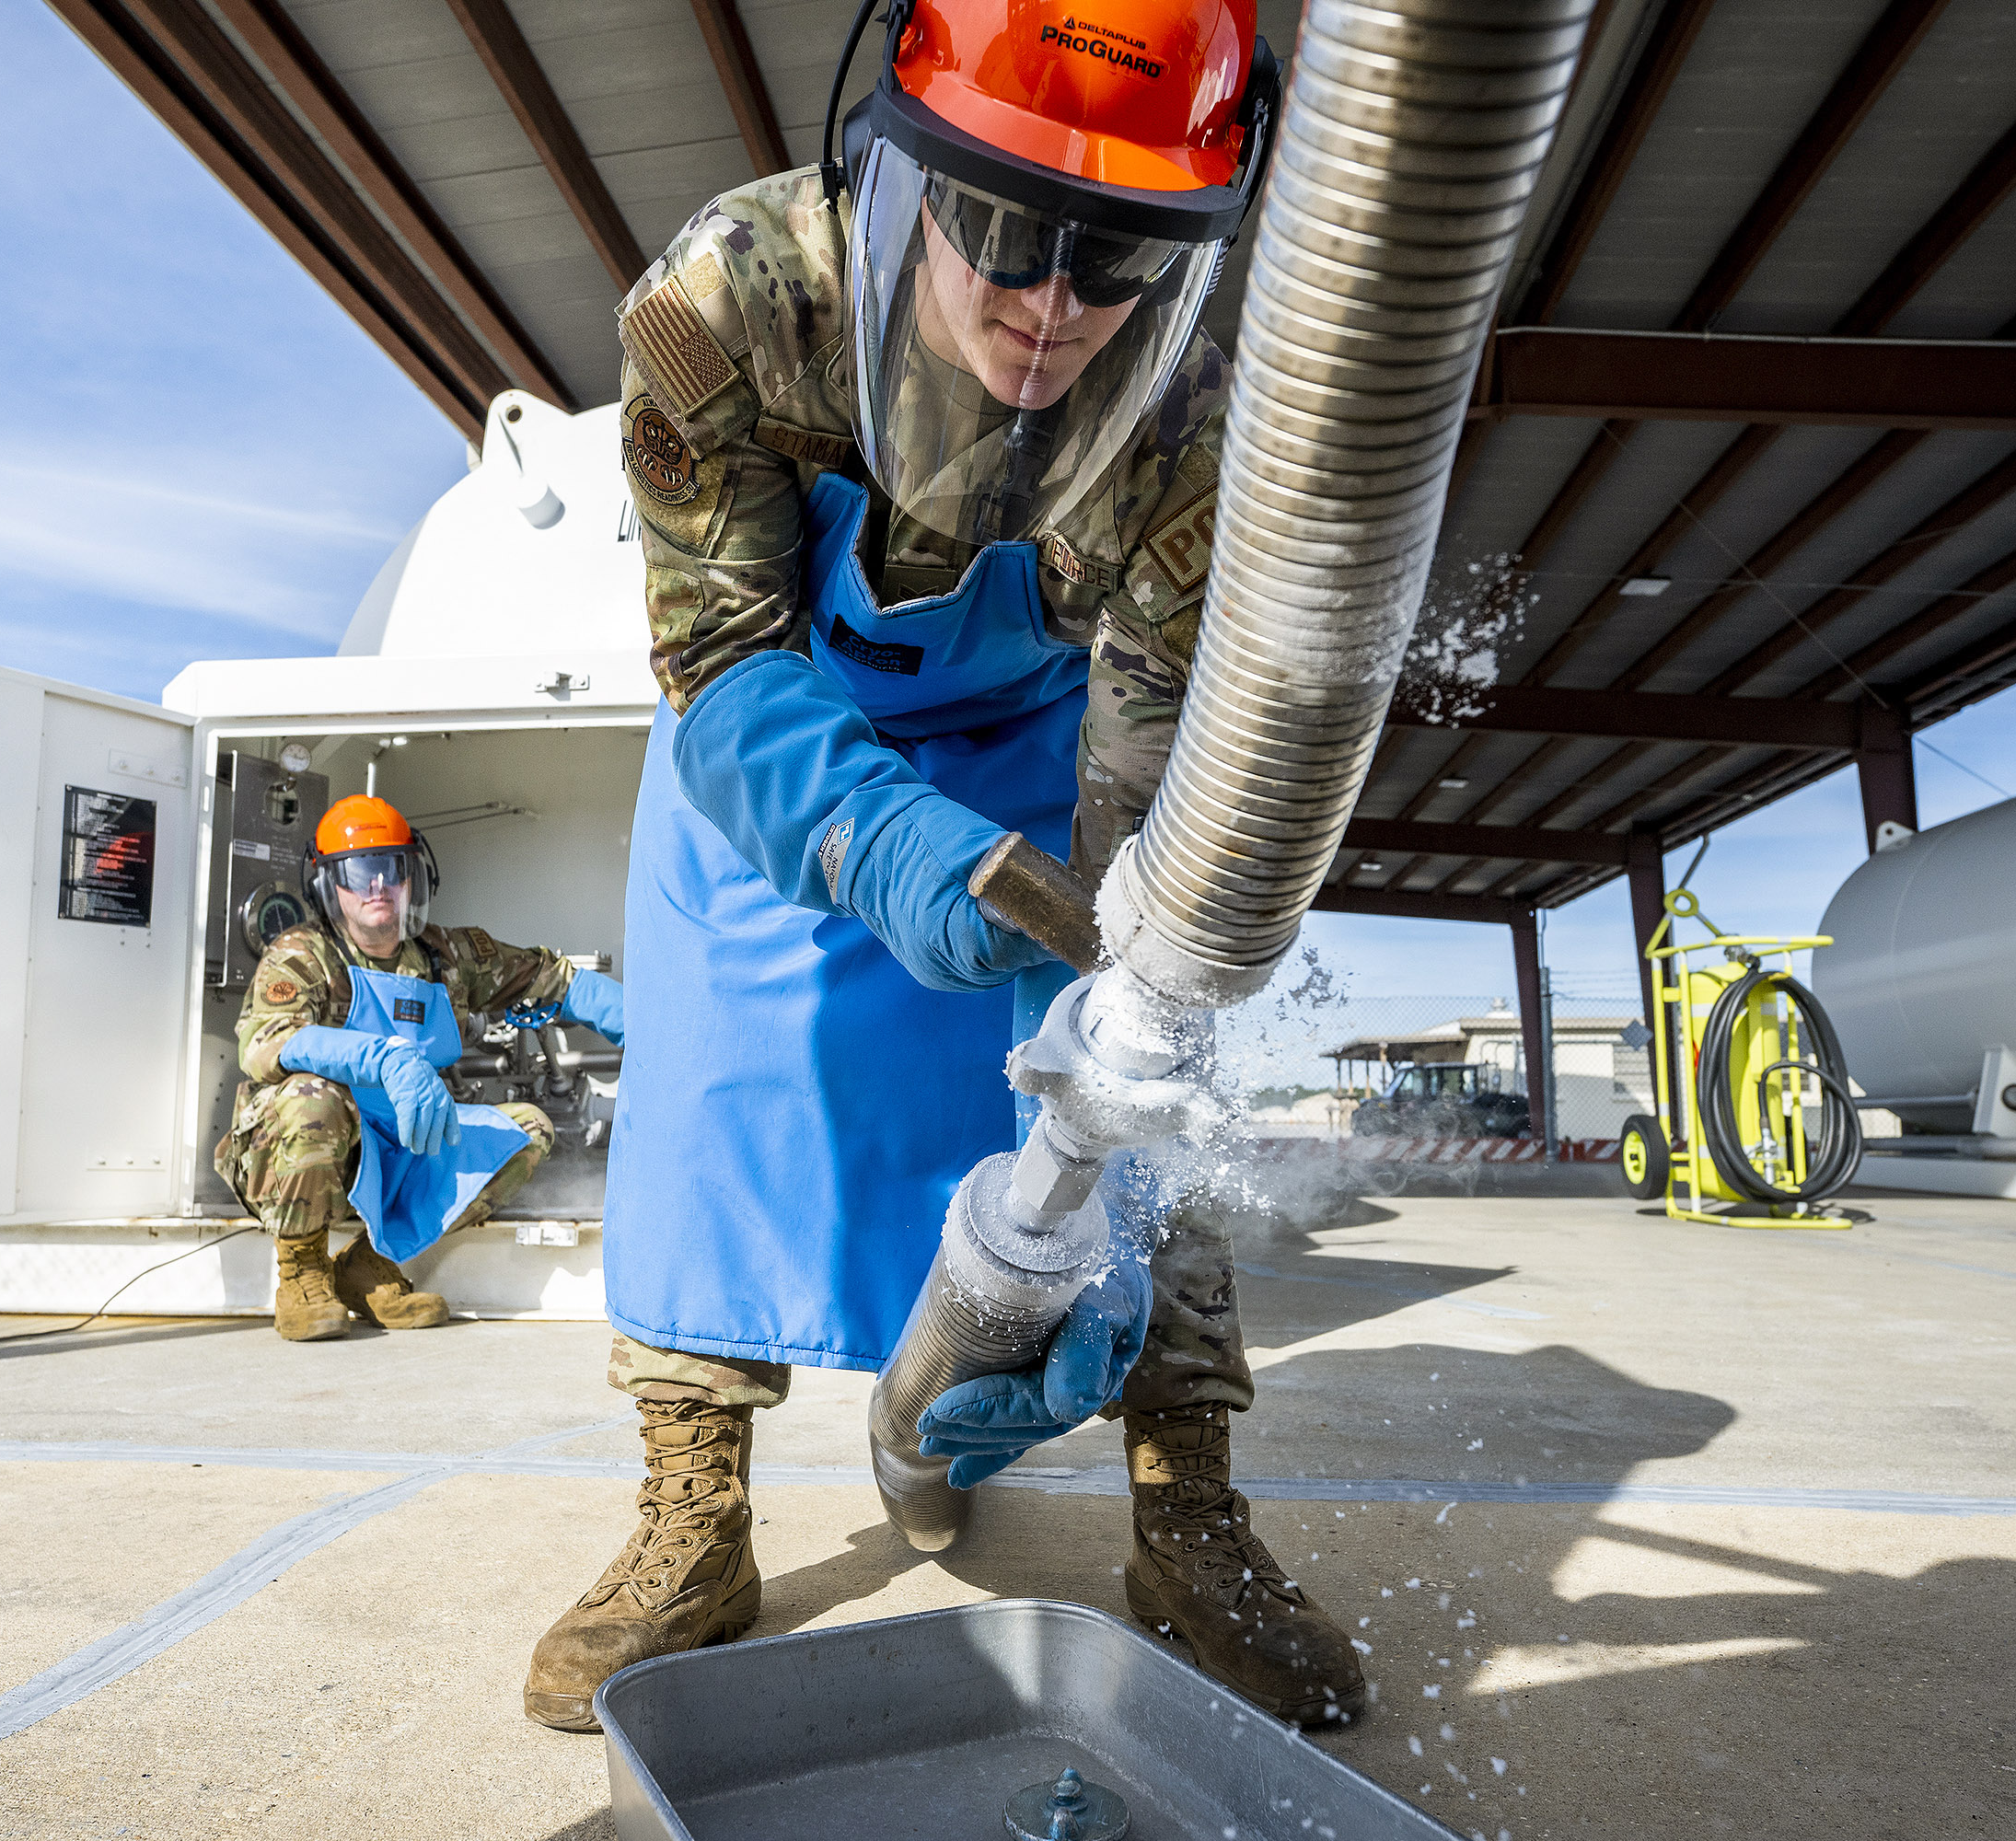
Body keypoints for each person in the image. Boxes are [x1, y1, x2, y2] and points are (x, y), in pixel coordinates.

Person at [523, 0, 1366, 1735]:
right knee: (716, 1087)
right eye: (1000, 228)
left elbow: (1162, 760)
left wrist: (1134, 963)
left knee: (1144, 1084)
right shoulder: (729, 305)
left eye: (1118, 255)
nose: (1053, 304)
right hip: (772, 743)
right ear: (900, 166)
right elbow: (724, 656)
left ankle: (1186, 1509)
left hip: (1036, 750)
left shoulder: (1194, 427)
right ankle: (694, 1516)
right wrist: (881, 837)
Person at [215, 794, 626, 1340]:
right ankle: (302, 1273)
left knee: (526, 1130)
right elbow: (265, 1042)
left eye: (390, 868)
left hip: (403, 1143)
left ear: (413, 878)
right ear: (329, 886)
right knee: (310, 1098)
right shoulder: (303, 954)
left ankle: (369, 1266)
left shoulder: (445, 955)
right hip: (310, 1151)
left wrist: (648, 1028)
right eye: (358, 872)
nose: (377, 885)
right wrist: (382, 1058)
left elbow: (552, 979)